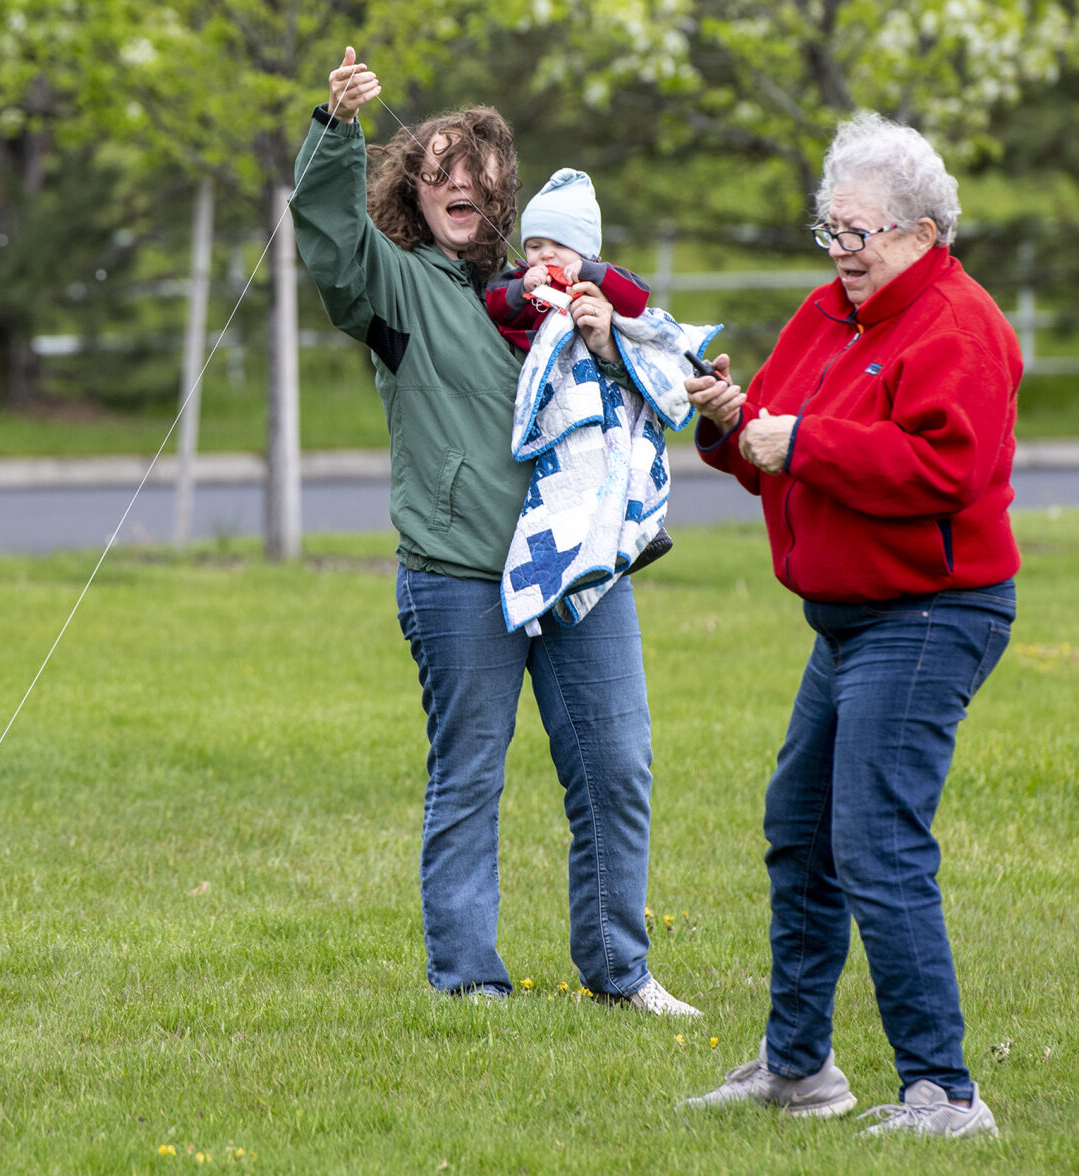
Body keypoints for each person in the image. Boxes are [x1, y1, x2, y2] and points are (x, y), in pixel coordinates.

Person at [288, 47, 698, 1015]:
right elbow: (325, 232)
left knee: (616, 766)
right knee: (468, 777)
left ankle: (620, 972)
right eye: (438, 169)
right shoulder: (392, 286)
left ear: (502, 193)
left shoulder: (546, 290)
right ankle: (468, 978)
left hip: (578, 570)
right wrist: (336, 128)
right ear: (415, 191)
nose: (459, 181)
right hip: (457, 573)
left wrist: (607, 340)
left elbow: (631, 389)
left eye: (476, 169)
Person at [680, 112, 1019, 1138]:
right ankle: (797, 1070)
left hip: (930, 612)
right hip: (845, 619)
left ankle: (945, 1093)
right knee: (798, 830)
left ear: (921, 232)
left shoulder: (959, 327)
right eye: (828, 232)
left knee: (873, 840)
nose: (838, 255)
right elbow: (767, 448)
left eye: (855, 234)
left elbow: (941, 473)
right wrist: (725, 420)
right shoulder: (826, 312)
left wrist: (802, 445)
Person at [484, 167, 650, 352]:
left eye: (560, 245)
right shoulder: (523, 279)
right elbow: (493, 307)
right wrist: (522, 287)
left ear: (585, 251)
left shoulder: (597, 276)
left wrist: (592, 271)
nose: (546, 254)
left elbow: (637, 303)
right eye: (535, 246)